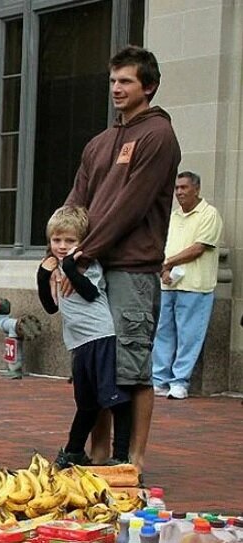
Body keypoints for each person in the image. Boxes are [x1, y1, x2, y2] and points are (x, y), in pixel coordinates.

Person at [65, 46, 180, 471]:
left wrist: (82, 252)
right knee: (96, 364)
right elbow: (76, 203)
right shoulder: (100, 143)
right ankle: (97, 453)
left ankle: (133, 459)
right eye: (113, 80)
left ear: (148, 86)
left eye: (126, 81)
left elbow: (130, 206)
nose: (116, 88)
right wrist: (56, 251)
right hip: (91, 267)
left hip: (132, 269)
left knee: (132, 368)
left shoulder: (157, 137)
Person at [36, 206, 131, 467]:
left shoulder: (87, 265)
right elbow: (50, 307)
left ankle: (122, 455)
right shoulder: (59, 268)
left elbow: (89, 292)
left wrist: (70, 267)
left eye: (70, 241)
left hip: (100, 337)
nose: (62, 246)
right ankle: (74, 450)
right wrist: (43, 276)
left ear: (82, 243)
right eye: (57, 240)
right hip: (79, 343)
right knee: (87, 404)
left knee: (115, 398)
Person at [152, 171, 223, 400]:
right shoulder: (172, 216)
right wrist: (163, 270)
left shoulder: (209, 214)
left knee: (188, 335)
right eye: (177, 188)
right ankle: (159, 380)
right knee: (164, 333)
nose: (179, 192)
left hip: (195, 286)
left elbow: (199, 248)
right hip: (170, 285)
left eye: (184, 187)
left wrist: (168, 263)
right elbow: (163, 246)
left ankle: (180, 381)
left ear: (197, 189)